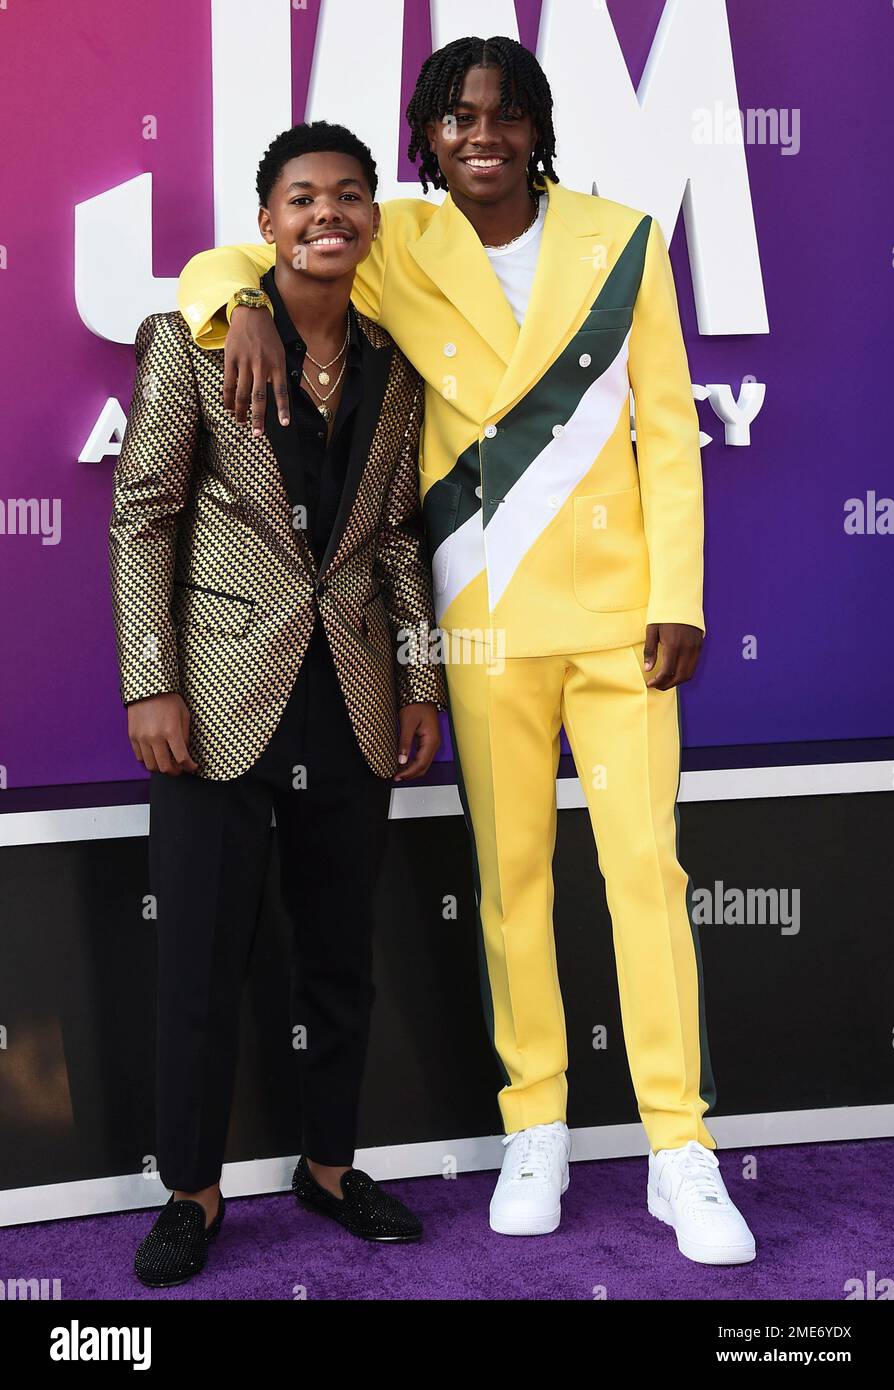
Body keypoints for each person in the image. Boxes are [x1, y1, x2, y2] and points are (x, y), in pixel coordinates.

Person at [176, 37, 756, 1265]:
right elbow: (234, 256)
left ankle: (679, 1146)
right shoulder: (400, 241)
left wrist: (680, 594)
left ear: (536, 127)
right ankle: (533, 1122)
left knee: (645, 873)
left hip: (616, 615)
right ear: (426, 138)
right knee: (512, 885)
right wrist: (234, 310)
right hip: (479, 616)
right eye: (452, 116)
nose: (477, 133)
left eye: (500, 114)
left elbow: (670, 431)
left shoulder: (623, 237)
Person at [110, 121, 446, 1287]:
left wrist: (419, 678)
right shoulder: (191, 341)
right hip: (212, 697)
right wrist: (150, 678)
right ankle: (193, 1193)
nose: (328, 215)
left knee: (337, 954)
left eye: (350, 196)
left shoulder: (396, 365)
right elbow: (142, 514)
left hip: (349, 693)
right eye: (302, 198)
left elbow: (397, 535)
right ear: (266, 224)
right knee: (199, 954)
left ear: (371, 219)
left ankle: (331, 1165)